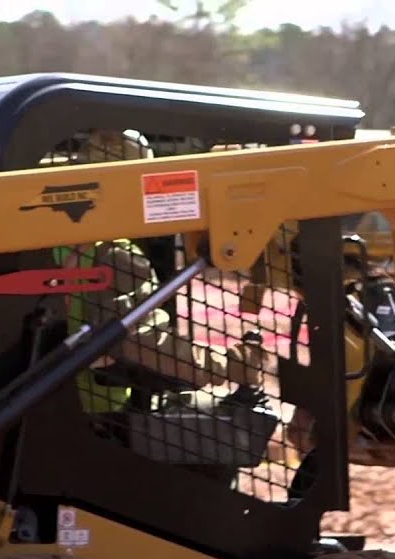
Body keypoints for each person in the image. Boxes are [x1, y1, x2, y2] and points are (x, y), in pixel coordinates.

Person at [54, 128, 261, 413]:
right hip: (99, 414)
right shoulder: (116, 254)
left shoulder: (46, 242)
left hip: (53, 405)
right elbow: (146, 345)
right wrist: (234, 365)